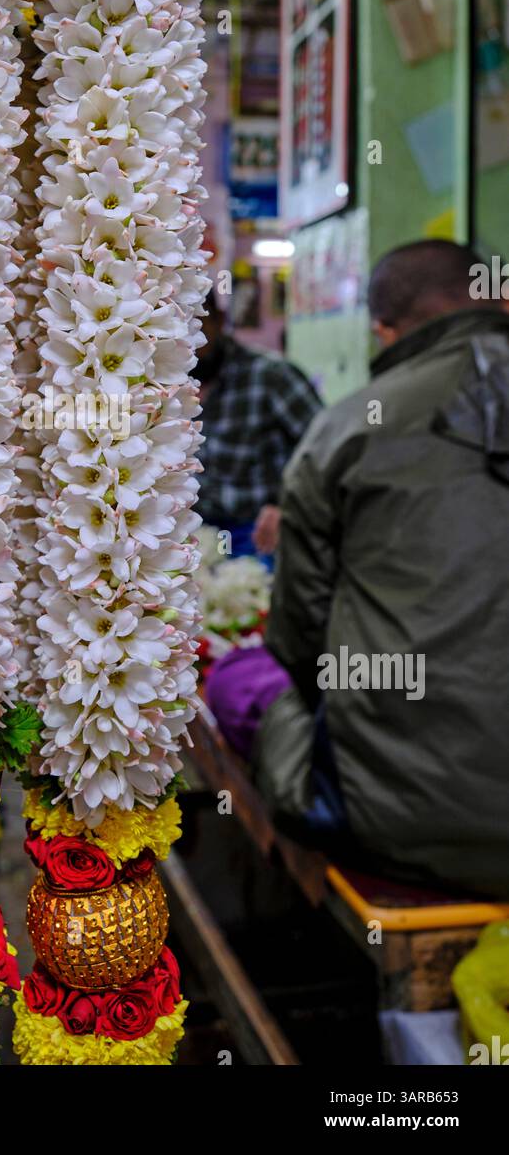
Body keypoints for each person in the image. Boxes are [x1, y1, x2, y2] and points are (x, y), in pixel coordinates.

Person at [259, 240, 509, 898]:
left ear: (384, 330)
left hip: (409, 825)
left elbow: (298, 640)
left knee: (252, 688)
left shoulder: (347, 428)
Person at [196, 294, 322, 558]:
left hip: (259, 535)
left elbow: (326, 453)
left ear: (219, 321)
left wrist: (287, 506)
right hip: (193, 534)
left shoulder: (270, 376)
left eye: (196, 326)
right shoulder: (162, 385)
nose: (189, 343)